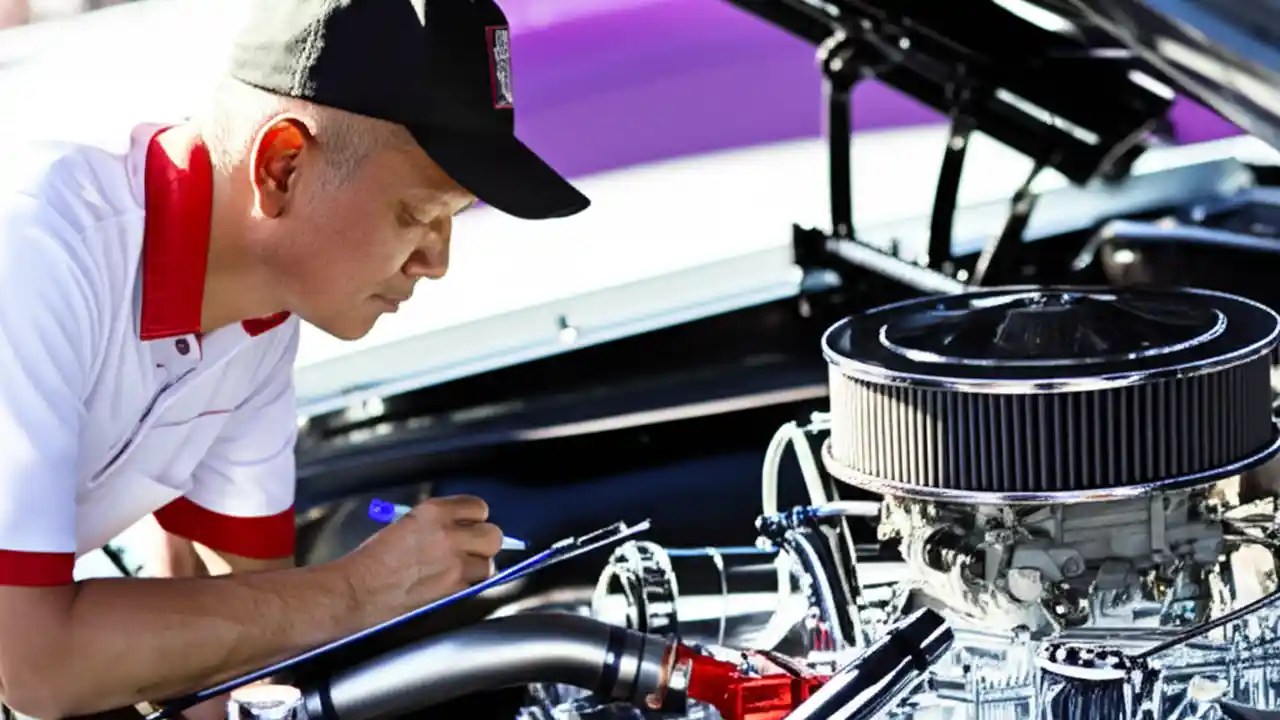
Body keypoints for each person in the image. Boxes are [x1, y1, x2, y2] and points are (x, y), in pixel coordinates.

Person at [0, 0, 590, 718]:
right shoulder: (34, 252)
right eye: (417, 213)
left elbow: (247, 643)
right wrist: (363, 590)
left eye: (452, 220)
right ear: (282, 166)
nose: (435, 261)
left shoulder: (262, 321)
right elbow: (31, 665)